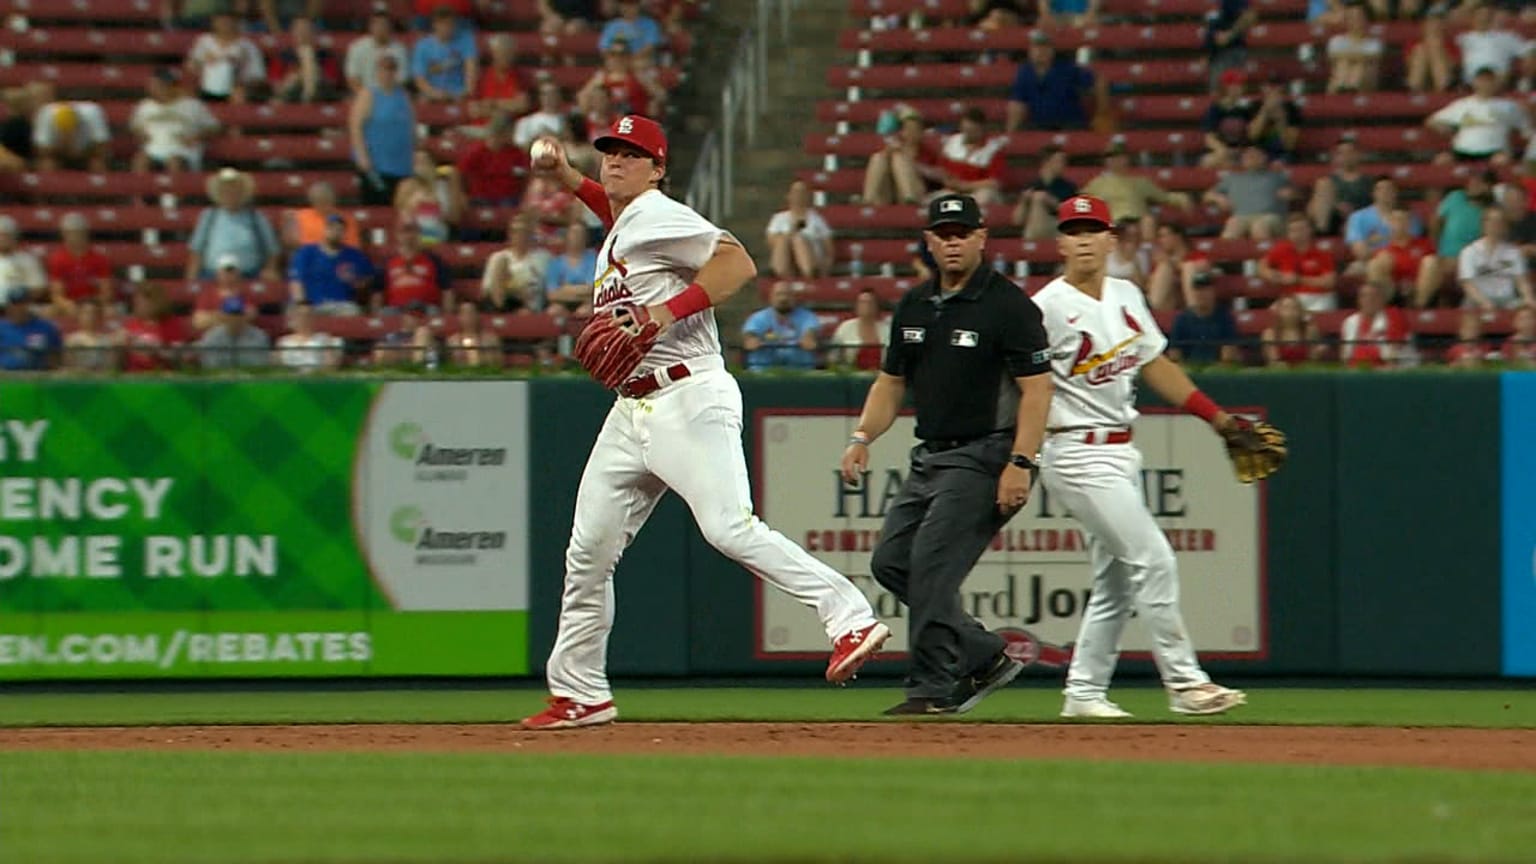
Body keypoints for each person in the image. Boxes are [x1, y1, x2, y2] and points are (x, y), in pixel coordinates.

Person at [519, 117, 890, 730]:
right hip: (633, 408)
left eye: (632, 154)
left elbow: (736, 262)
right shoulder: (631, 222)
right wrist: (566, 177)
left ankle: (850, 617)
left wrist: (663, 313)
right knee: (587, 552)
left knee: (729, 527)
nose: (616, 161)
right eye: (611, 150)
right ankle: (582, 693)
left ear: (657, 168)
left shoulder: (659, 213)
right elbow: (615, 213)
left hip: (686, 395)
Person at [1031, 194, 1249, 719]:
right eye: (1073, 230)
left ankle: (1083, 692)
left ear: (1112, 239)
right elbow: (1023, 386)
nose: (1083, 239)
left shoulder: (1126, 293)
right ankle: (1185, 682)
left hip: (1121, 451)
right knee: (1153, 558)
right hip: (1073, 451)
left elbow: (1155, 365)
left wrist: (1218, 418)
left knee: (1117, 579)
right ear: (1060, 242)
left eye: (1093, 229)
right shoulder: (1045, 308)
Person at [839, 193, 1053, 716]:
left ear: (982, 237)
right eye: (944, 233)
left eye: (962, 232)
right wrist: (862, 437)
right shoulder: (914, 304)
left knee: (932, 569)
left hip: (986, 454)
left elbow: (1038, 390)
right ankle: (984, 654)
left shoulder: (1008, 305)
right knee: (891, 562)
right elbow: (891, 383)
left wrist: (1020, 463)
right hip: (930, 456)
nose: (953, 241)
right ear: (929, 241)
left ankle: (932, 688)